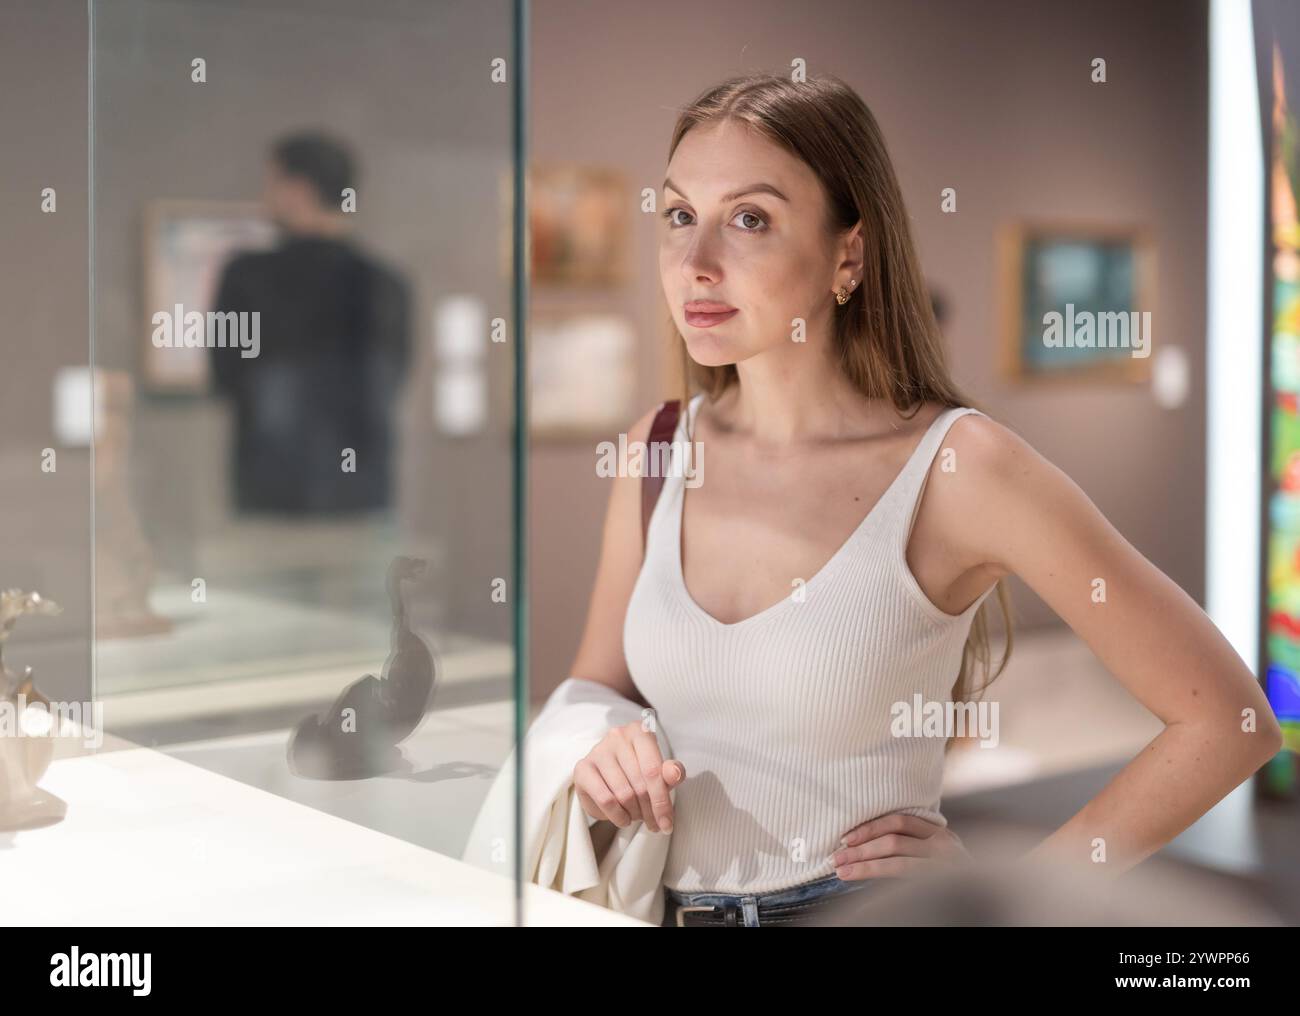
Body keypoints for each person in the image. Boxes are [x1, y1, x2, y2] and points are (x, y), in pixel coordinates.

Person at [563, 73, 1283, 927]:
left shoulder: (961, 467)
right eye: (680, 216)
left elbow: (1229, 722)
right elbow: (593, 687)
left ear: (849, 255)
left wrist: (1019, 891)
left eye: (750, 219)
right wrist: (597, 747)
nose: (697, 261)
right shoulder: (655, 447)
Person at [211, 130, 411, 516]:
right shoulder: (385, 284)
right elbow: (389, 381)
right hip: (359, 497)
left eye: (272, 183)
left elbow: (225, 377)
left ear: (298, 189)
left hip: (270, 497)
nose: (265, 197)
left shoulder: (246, 278)